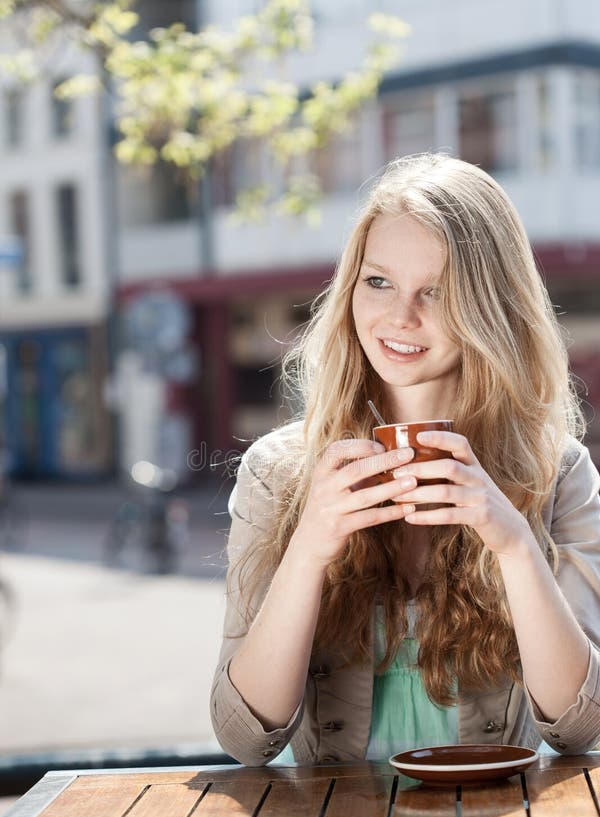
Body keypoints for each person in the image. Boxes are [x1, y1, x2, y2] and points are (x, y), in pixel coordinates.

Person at [210, 152, 600, 767]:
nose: (399, 317)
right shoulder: (278, 469)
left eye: (437, 292)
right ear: (350, 289)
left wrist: (514, 545)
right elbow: (244, 740)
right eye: (379, 281)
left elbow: (579, 729)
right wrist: (311, 545)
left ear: (491, 307)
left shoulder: (557, 471)